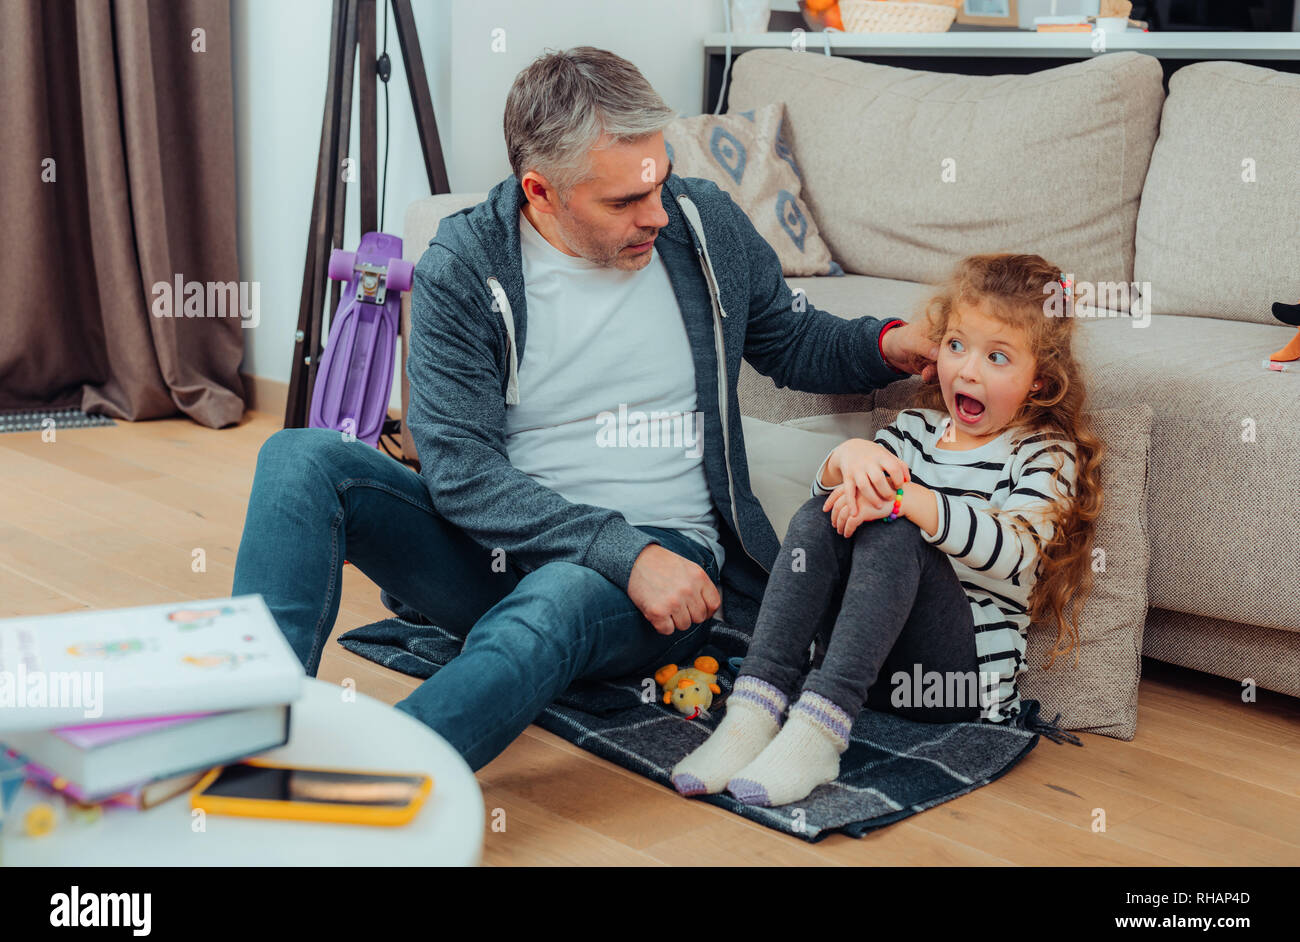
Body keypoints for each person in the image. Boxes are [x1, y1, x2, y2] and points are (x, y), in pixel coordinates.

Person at [231, 47, 938, 772]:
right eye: (625, 202)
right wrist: (616, 550)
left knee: (560, 597)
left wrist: (892, 343)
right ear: (541, 191)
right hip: (503, 553)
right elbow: (463, 474)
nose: (657, 214)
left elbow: (789, 337)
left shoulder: (705, 226)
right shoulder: (466, 267)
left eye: (658, 182)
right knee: (297, 458)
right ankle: (248, 740)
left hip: (666, 566)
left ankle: (353, 787)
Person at [671, 253, 1104, 806]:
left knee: (895, 526)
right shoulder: (916, 428)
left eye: (997, 357)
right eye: (956, 346)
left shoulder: (1043, 454)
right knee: (828, 510)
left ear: (1038, 381)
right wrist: (844, 461)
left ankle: (819, 735)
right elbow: (835, 515)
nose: (968, 371)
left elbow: (1016, 551)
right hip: (863, 660)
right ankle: (754, 711)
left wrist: (915, 502)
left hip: (952, 681)